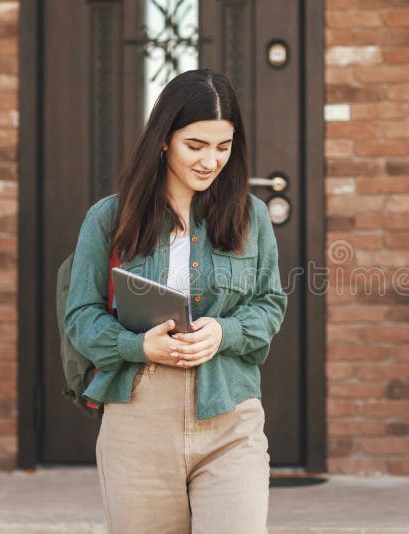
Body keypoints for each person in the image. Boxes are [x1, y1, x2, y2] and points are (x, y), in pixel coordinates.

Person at [63, 69, 288, 534]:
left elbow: (269, 305)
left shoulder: (253, 217)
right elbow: (80, 316)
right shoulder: (108, 218)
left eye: (223, 147)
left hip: (230, 418)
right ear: (164, 139)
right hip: (138, 422)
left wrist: (223, 332)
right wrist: (139, 347)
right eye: (196, 146)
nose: (211, 161)